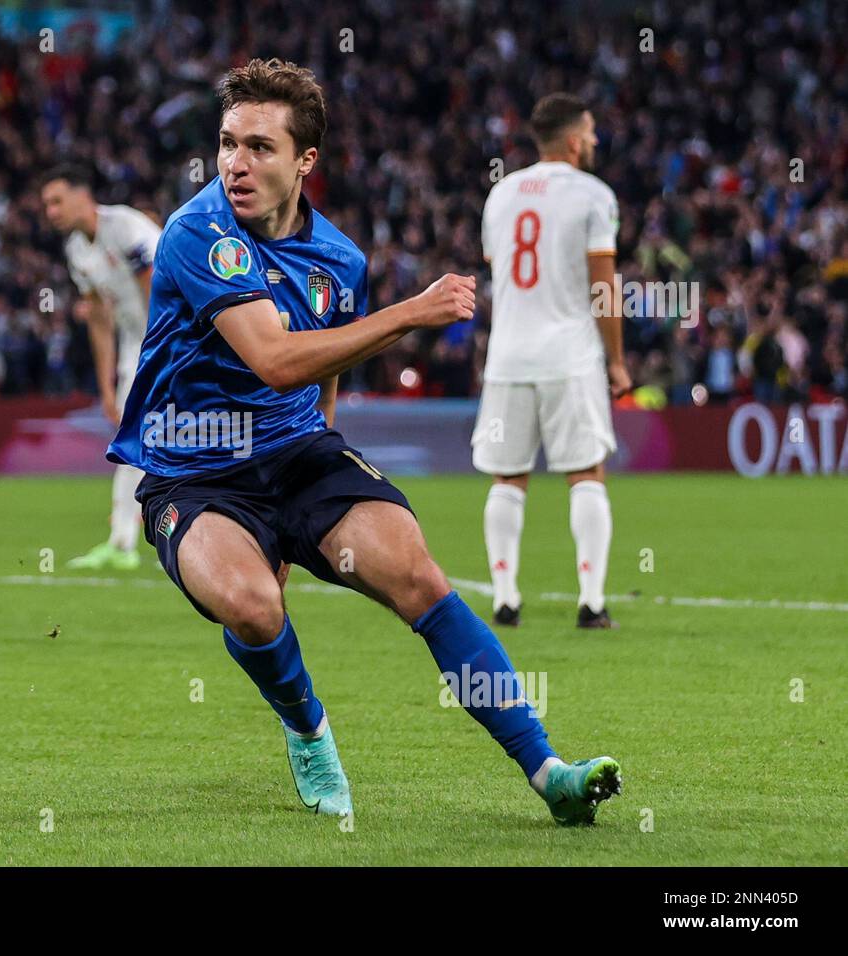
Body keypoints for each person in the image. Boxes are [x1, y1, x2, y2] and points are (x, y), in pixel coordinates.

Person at [107, 59, 621, 825]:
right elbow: (278, 360)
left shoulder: (339, 259)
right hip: (193, 473)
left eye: (259, 147)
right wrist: (409, 314)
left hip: (298, 453)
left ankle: (549, 771)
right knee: (253, 607)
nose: (236, 164)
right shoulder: (197, 234)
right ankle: (308, 727)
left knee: (419, 576)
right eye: (227, 144)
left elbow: (326, 365)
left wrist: (321, 459)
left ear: (305, 161)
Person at [473, 92, 630, 629]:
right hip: (570, 355)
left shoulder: (502, 194)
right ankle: (590, 601)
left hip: (509, 355)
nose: (594, 141)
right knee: (586, 473)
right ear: (571, 139)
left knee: (507, 477)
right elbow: (603, 287)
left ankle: (504, 596)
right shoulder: (594, 196)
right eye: (589, 133)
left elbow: (501, 270)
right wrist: (617, 360)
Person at [40, 165, 161, 571]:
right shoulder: (77, 250)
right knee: (131, 441)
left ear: (82, 194)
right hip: (136, 344)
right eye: (46, 205)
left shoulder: (125, 226)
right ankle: (122, 542)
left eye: (57, 201)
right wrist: (107, 389)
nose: (51, 212)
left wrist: (166, 352)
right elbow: (98, 322)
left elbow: (160, 290)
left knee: (191, 436)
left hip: (179, 338)